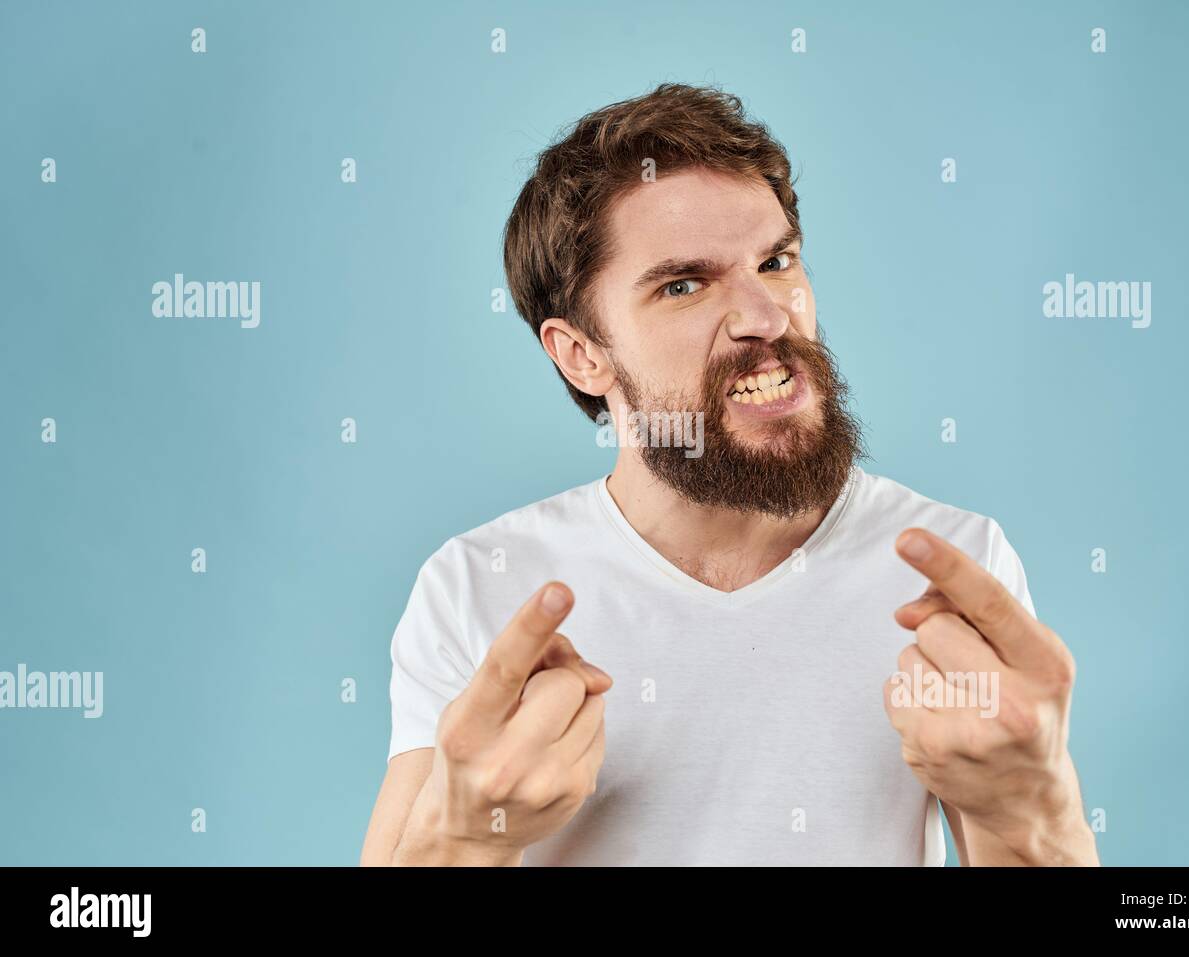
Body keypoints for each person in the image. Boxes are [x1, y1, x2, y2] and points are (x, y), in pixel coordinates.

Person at [360, 84, 1098, 866]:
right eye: (684, 284)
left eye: (775, 262)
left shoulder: (953, 571)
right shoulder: (478, 587)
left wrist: (1028, 814)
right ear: (582, 353)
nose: (768, 315)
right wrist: (464, 836)